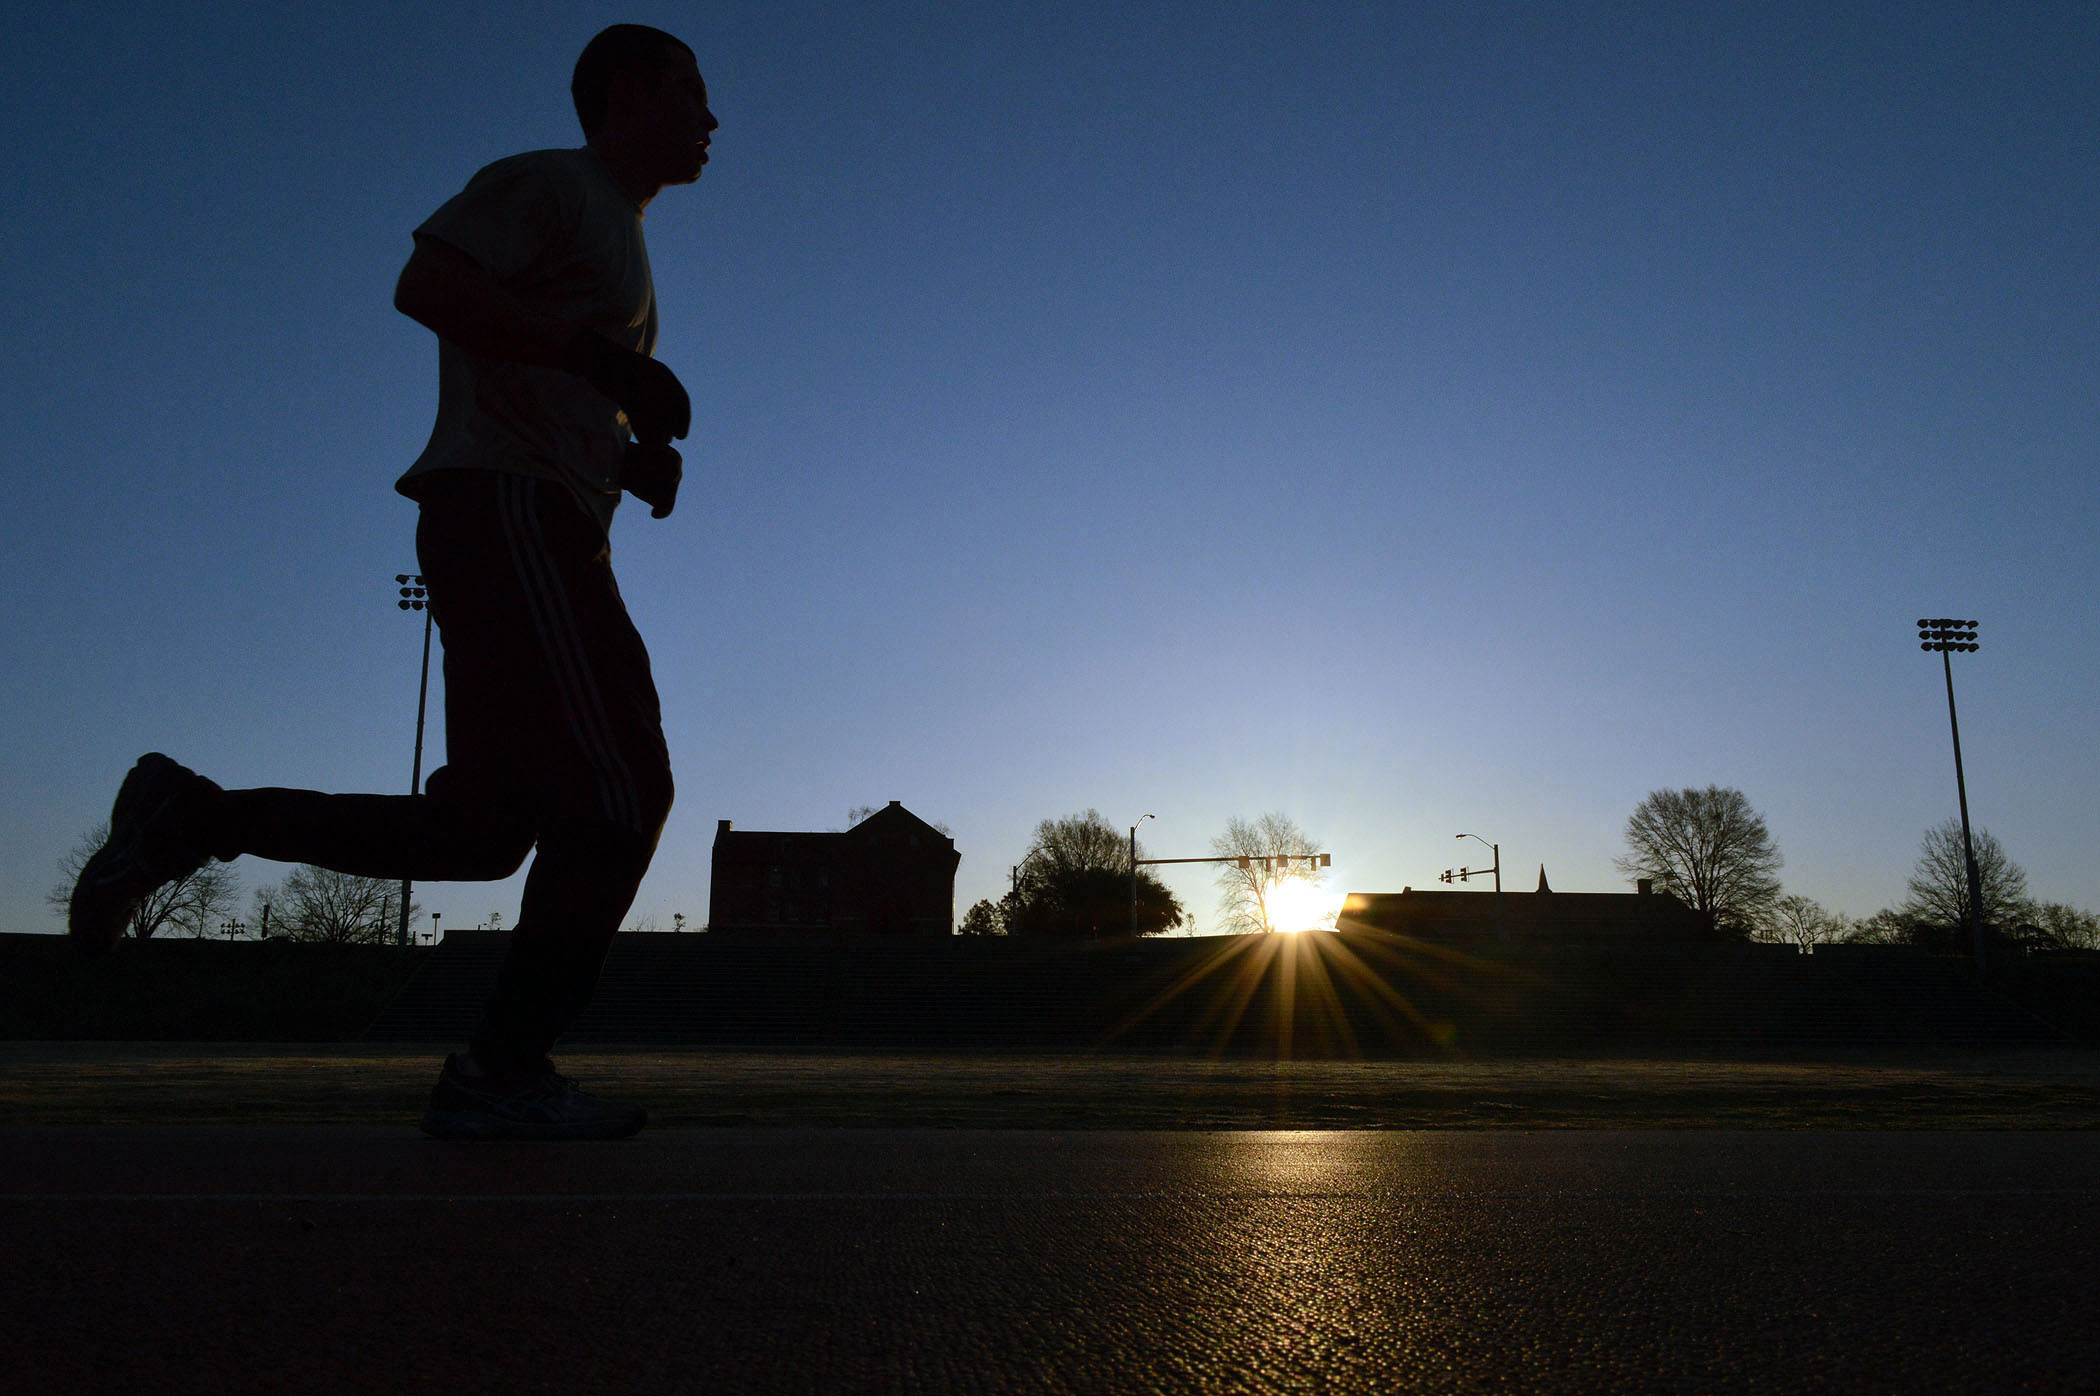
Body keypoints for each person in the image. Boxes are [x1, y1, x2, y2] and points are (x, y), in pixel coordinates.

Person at [66, 24, 718, 1141]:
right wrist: (606, 364)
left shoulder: (621, 240)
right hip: (510, 514)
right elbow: (427, 283)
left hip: (533, 514)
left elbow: (539, 376)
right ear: (621, 97)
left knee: (483, 833)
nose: (710, 121)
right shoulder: (549, 185)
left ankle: (191, 814)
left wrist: (624, 453)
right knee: (617, 793)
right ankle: (503, 1071)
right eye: (688, 97)